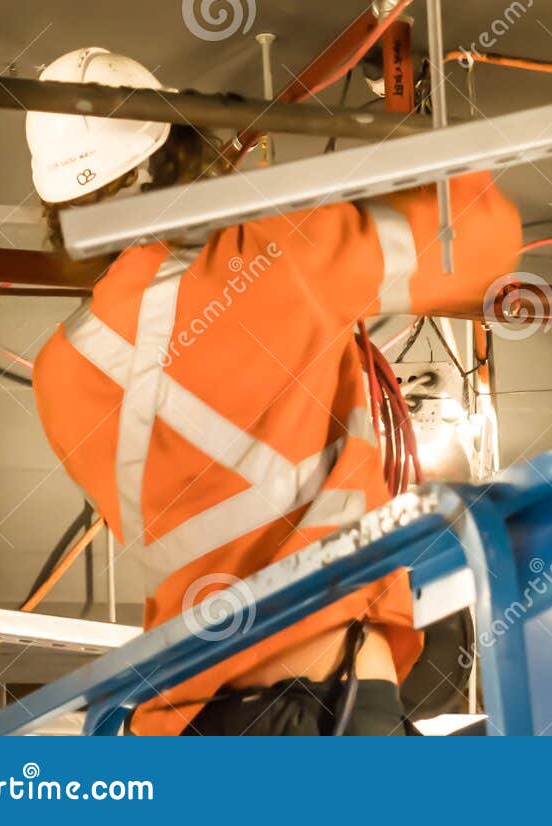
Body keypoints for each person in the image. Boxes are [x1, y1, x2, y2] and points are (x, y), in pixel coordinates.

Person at [26, 48, 521, 734]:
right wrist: (415, 136)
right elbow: (478, 243)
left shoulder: (59, 371)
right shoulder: (271, 255)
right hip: (331, 713)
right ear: (174, 155)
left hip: (193, 724)